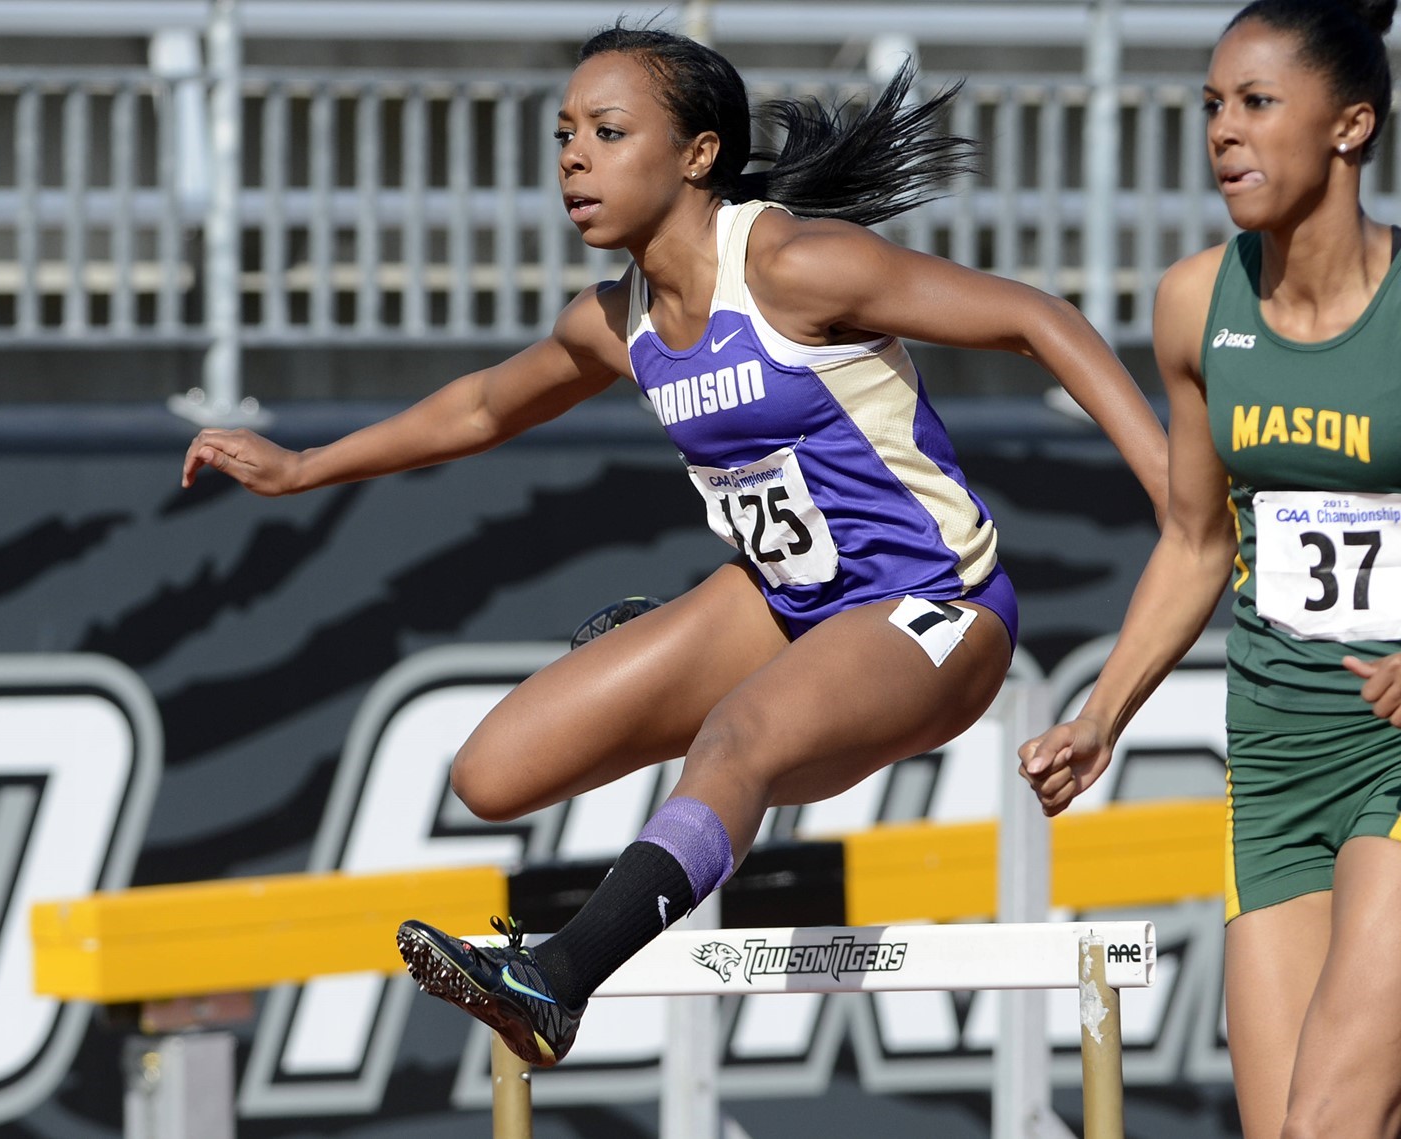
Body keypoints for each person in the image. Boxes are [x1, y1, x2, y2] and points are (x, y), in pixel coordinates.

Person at [183, 24, 1167, 1067]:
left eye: (607, 132)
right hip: (782, 605)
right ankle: (710, 695)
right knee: (492, 773)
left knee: (735, 738)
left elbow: (1037, 316)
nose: (572, 156)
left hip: (933, 609)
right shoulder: (618, 321)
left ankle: (559, 980)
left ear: (698, 155)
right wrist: (303, 465)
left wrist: (1172, 492)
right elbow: (479, 407)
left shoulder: (794, 268)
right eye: (563, 132)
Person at [1018, 1, 1401, 1135]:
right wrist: (1100, 716)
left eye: (1255, 104)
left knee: (1333, 1116)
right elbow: (1196, 540)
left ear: (1350, 126)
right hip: (1277, 768)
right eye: (1209, 108)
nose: (1221, 134)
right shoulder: (1196, 304)